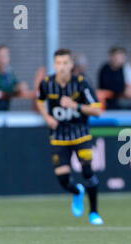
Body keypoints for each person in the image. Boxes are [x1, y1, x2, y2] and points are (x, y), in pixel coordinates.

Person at [36, 48, 104, 225]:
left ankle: (94, 212)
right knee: (63, 178)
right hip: (58, 136)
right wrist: (47, 117)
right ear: (54, 64)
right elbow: (39, 100)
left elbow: (97, 110)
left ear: (71, 65)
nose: (62, 67)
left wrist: (76, 106)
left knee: (87, 171)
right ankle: (76, 192)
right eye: (58, 63)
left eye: (65, 63)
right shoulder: (46, 83)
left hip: (81, 134)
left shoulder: (81, 83)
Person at [0, 45, 28, 111]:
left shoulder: (9, 70)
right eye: (1, 56)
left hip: (4, 111)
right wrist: (14, 89)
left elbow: (15, 84)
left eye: (6, 56)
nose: (3, 59)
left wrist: (20, 86)